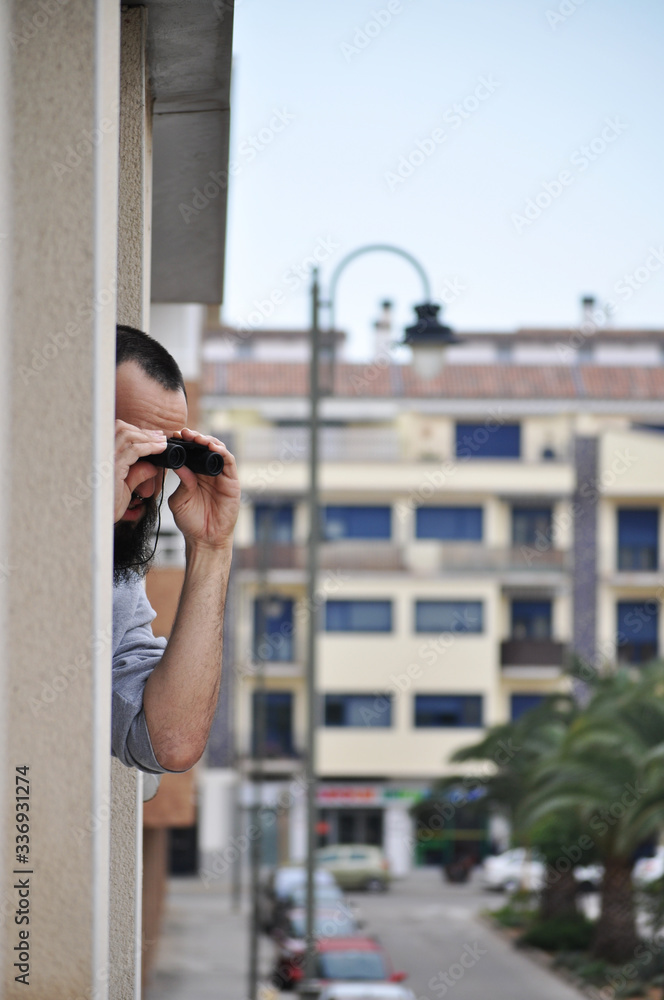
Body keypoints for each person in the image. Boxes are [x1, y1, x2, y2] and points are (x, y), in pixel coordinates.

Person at [112, 325, 240, 773]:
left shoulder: (117, 578)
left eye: (164, 455)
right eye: (131, 448)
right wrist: (81, 522)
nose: (148, 483)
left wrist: (211, 547)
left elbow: (169, 742)